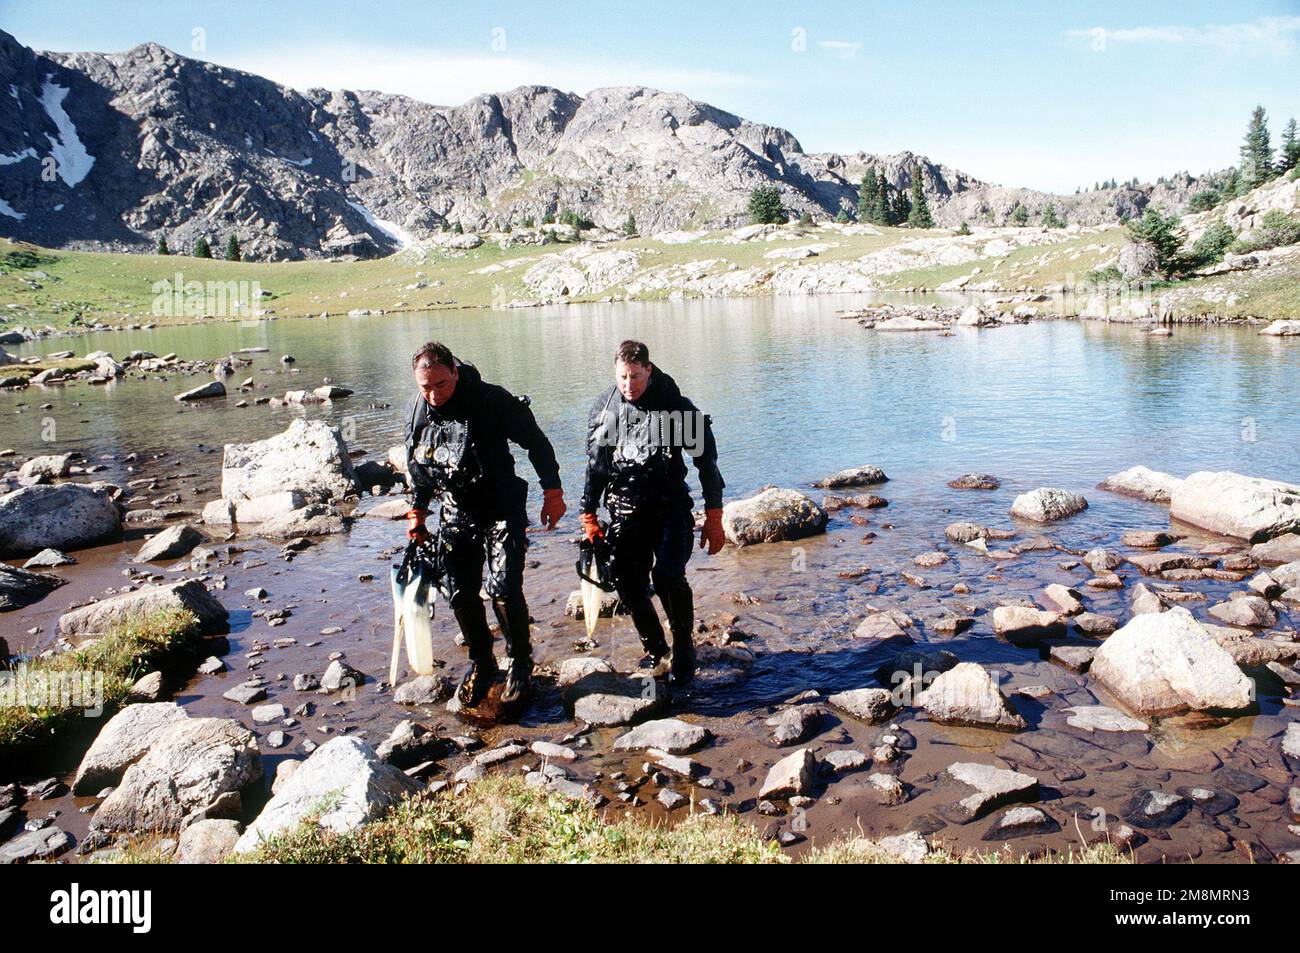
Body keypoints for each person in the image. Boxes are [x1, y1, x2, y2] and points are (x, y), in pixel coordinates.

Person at [403, 341, 566, 706]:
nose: (433, 395)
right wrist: (417, 512)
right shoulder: (418, 409)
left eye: (441, 385)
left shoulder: (491, 400)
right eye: (425, 387)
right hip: (455, 512)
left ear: (455, 373)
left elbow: (536, 443)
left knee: (504, 588)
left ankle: (521, 662)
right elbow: (417, 465)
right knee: (459, 592)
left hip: (500, 506)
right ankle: (482, 662)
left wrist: (552, 492)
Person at [579, 340, 725, 684]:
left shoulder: (676, 408)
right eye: (622, 377)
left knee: (668, 576)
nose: (628, 384)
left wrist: (714, 516)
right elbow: (596, 467)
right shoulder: (606, 410)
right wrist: (588, 513)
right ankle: (658, 651)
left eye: (635, 376)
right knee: (628, 583)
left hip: (669, 507)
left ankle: (684, 646)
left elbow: (707, 464)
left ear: (648, 369)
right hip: (625, 511)